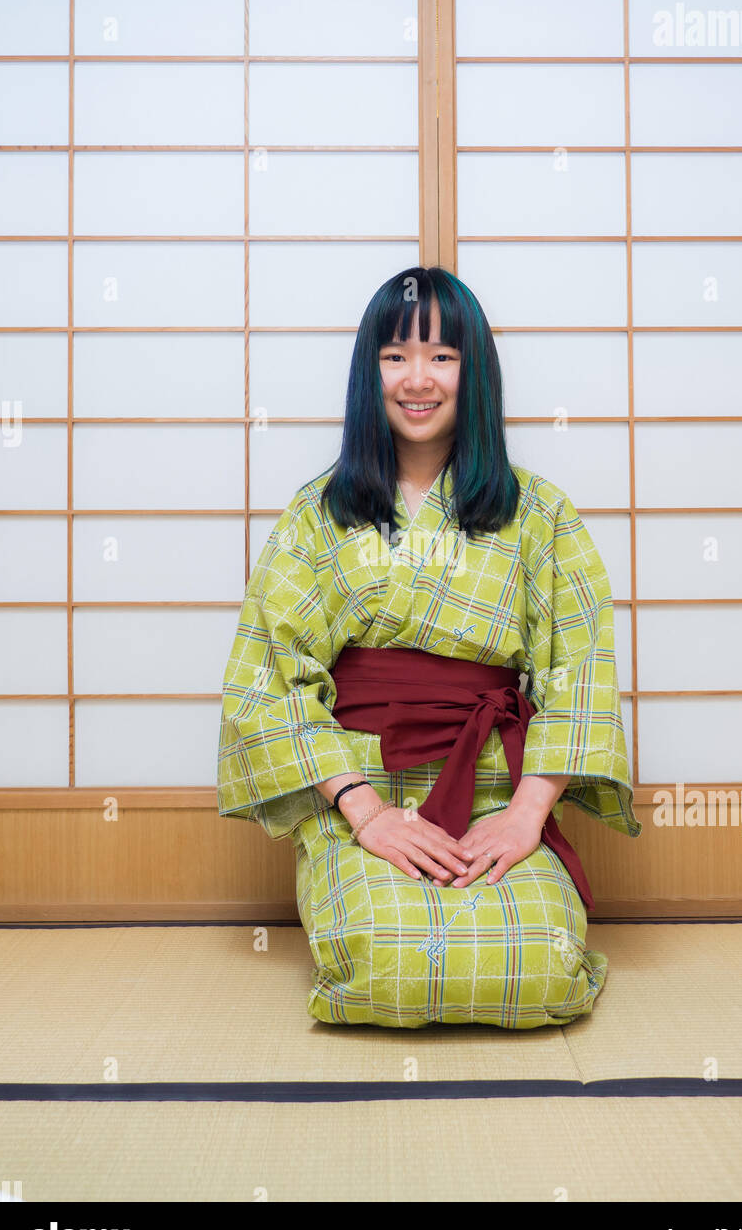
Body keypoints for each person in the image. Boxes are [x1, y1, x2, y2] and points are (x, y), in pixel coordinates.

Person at [217, 266, 642, 1028]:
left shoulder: (541, 515)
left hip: (493, 789)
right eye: (395, 356)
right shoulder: (316, 519)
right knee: (388, 953)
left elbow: (581, 679)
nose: (419, 379)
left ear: (472, 371)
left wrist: (523, 817)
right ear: (368, 372)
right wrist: (367, 813)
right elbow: (269, 682)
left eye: (442, 356)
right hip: (360, 791)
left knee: (540, 961)